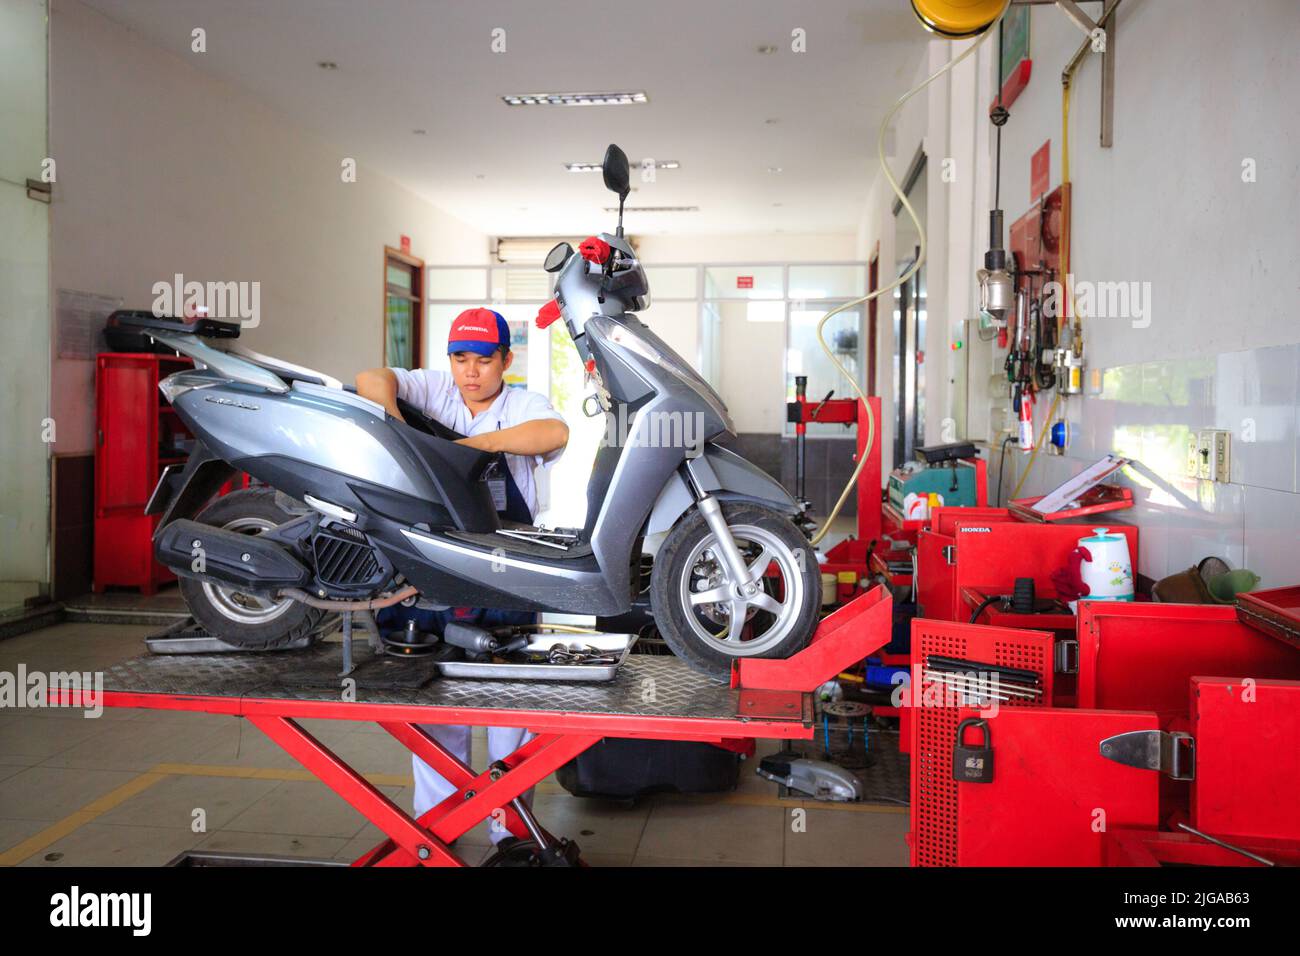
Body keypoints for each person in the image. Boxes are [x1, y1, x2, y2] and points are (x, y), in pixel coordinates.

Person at [355, 307, 568, 841]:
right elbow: (369, 378)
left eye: (484, 360)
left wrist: (470, 449)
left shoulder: (523, 404)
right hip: (436, 567)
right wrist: (396, 421)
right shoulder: (432, 390)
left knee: (509, 708)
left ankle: (511, 836)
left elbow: (553, 431)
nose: (471, 372)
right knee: (438, 708)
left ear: (506, 361)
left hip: (507, 569)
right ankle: (439, 829)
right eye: (460, 359)